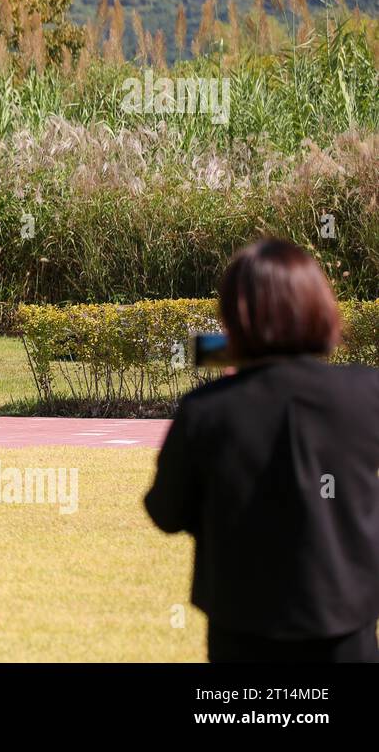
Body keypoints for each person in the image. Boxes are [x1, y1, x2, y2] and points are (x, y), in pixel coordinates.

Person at [144, 238, 379, 662]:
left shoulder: (207, 409)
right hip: (347, 623)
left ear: (233, 317)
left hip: (242, 628)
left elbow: (166, 511)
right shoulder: (366, 392)